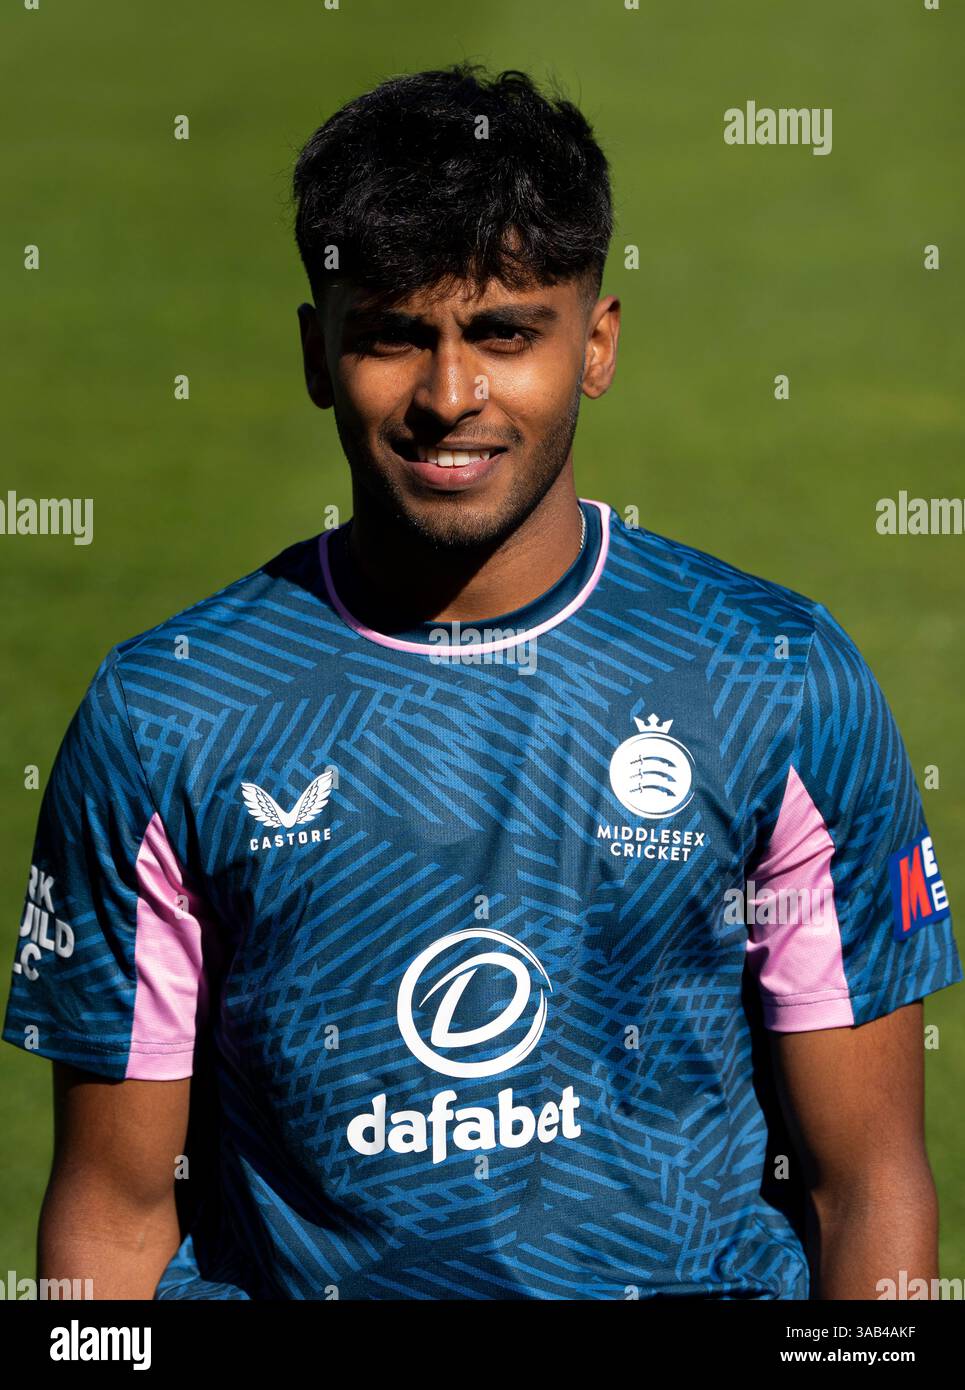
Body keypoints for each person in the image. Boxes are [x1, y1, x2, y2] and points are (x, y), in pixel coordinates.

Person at [4, 63, 961, 1301]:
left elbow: (867, 1182)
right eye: (393, 336)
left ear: (597, 343)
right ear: (315, 353)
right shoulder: (168, 716)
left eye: (504, 333)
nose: (449, 397)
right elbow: (114, 1210)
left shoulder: (774, 680)